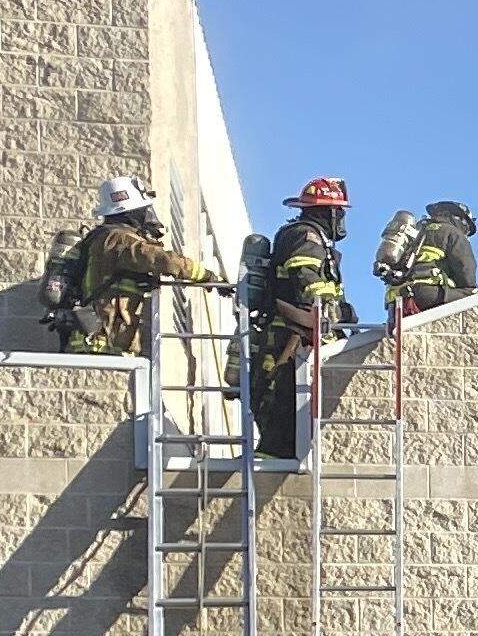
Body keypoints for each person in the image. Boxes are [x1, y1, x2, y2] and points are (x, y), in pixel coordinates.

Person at [59, 178, 224, 356]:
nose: (147, 215)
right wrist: (207, 276)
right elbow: (165, 261)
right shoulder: (120, 239)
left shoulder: (102, 239)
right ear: (129, 212)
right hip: (110, 338)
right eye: (142, 210)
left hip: (104, 336)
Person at [257, 176, 356, 459]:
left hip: (297, 335)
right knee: (283, 405)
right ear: (329, 212)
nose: (342, 220)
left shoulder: (311, 237)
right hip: (288, 337)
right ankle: (270, 466)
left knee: (292, 410)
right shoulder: (306, 236)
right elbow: (309, 286)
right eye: (339, 213)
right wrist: (338, 314)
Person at [382, 200, 478, 317]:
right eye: (467, 229)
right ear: (460, 220)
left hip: (395, 300)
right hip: (428, 295)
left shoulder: (415, 231)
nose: (466, 233)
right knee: (471, 293)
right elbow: (466, 272)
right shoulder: (452, 233)